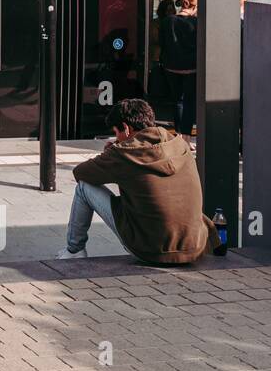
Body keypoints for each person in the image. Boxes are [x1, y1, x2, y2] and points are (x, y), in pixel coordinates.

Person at [56, 99, 217, 265]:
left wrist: (110, 154)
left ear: (126, 128)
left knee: (84, 188)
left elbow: (81, 173)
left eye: (116, 132)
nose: (116, 137)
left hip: (151, 250)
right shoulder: (179, 144)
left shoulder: (123, 153)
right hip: (194, 246)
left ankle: (74, 250)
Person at [158, 0, 198, 142]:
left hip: (172, 67)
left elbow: (162, 44)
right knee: (189, 102)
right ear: (194, 7)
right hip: (191, 68)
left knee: (177, 101)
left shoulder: (168, 21)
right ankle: (187, 136)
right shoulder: (197, 23)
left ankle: (180, 134)